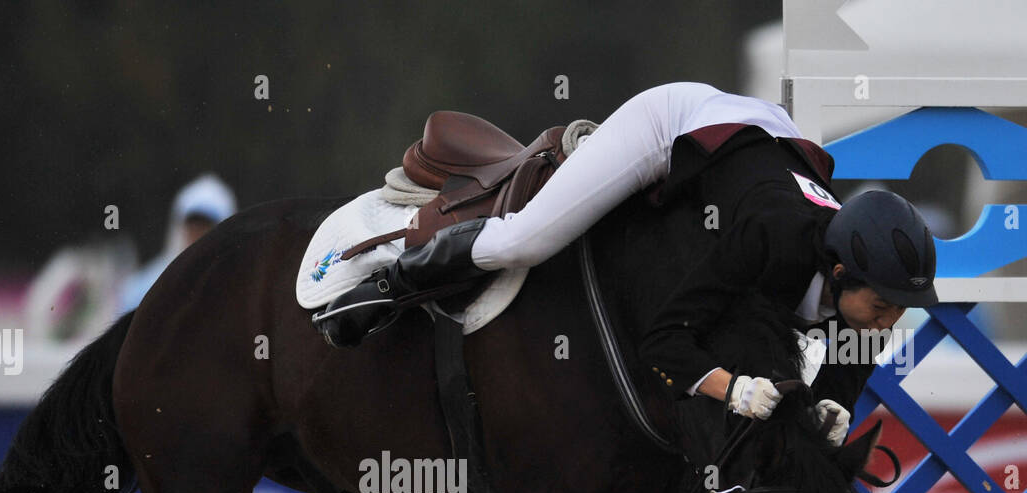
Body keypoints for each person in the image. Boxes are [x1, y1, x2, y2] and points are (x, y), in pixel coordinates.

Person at [316, 82, 937, 444]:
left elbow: (840, 376)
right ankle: (389, 280)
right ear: (836, 274)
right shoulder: (765, 244)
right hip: (674, 122)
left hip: (763, 138)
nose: (882, 327)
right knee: (525, 241)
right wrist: (732, 386)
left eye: (893, 313)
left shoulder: (860, 294)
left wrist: (833, 408)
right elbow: (664, 341)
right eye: (881, 308)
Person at [117, 173, 238, 314]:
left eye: (207, 226)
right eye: (192, 226)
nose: (199, 235)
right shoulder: (143, 291)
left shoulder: (243, 291)